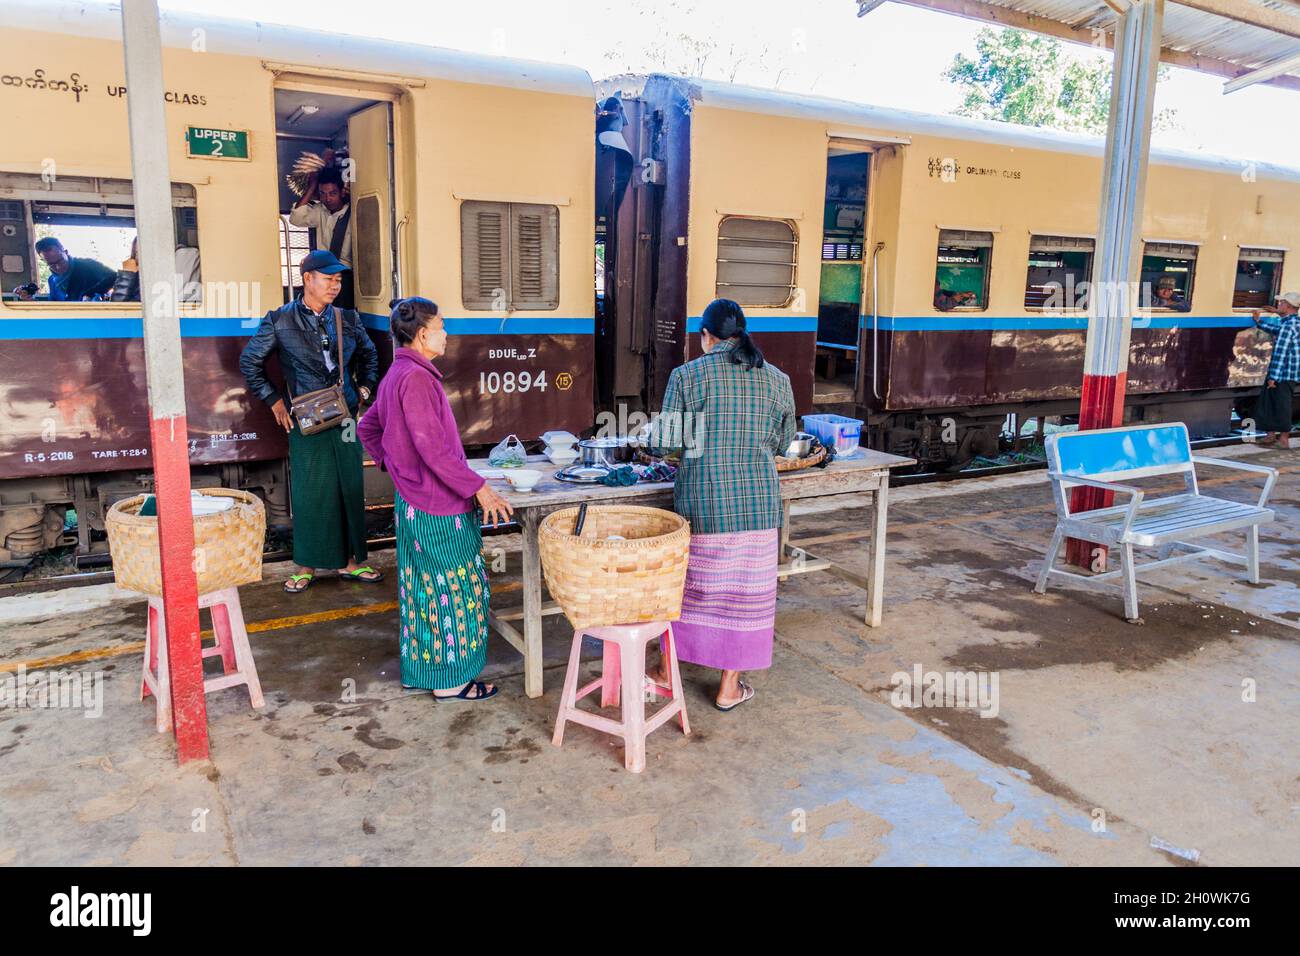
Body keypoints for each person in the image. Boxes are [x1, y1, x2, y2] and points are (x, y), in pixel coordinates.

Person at [358, 297, 514, 702]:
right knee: (457, 589)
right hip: (439, 507)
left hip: (413, 504)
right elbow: (434, 451)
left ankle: (422, 671)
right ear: (424, 334)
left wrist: (396, 468)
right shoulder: (417, 379)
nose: (447, 333)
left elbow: (368, 428)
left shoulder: (399, 372)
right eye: (442, 326)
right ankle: (451, 681)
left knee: (421, 590)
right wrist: (478, 486)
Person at [646, 298, 796, 711]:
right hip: (758, 507)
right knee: (745, 596)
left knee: (688, 591)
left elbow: (663, 445)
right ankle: (730, 687)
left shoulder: (688, 375)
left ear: (706, 337)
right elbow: (784, 445)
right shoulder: (778, 380)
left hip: (704, 505)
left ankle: (664, 671)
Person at [239, 250, 379, 592]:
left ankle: (351, 563)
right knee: (309, 491)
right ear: (308, 279)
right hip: (306, 419)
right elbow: (249, 363)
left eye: (338, 280)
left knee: (350, 485)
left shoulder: (347, 318)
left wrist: (363, 389)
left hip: (345, 415)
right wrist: (273, 401)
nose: (335, 285)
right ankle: (305, 566)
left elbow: (370, 355)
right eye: (329, 279)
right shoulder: (279, 320)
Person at [290, 162, 353, 308]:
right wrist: (311, 187)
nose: (328, 199)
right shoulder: (319, 211)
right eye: (323, 194)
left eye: (333, 193)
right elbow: (296, 218)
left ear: (342, 192)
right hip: (323, 275)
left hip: (346, 277)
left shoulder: (352, 213)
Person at [1250, 292, 1300, 449]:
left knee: (1280, 405)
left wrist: (1273, 377)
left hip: (1282, 374)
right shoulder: (1295, 322)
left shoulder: (1288, 326)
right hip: (1290, 373)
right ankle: (1271, 436)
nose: (1279, 305)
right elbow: (1277, 329)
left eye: (1281, 303)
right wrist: (1260, 322)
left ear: (1288, 305)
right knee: (1273, 402)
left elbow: (1281, 352)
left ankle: (1283, 440)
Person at [14, 238, 115, 301]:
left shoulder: (87, 265)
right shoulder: (52, 281)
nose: (58, 267)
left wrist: (90, 294)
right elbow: (54, 307)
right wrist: (30, 300)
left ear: (65, 252)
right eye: (51, 264)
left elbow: (114, 277)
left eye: (60, 261)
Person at [110, 236, 203, 303]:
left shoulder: (177, 263)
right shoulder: (134, 277)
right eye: (138, 253)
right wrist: (127, 275)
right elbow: (119, 307)